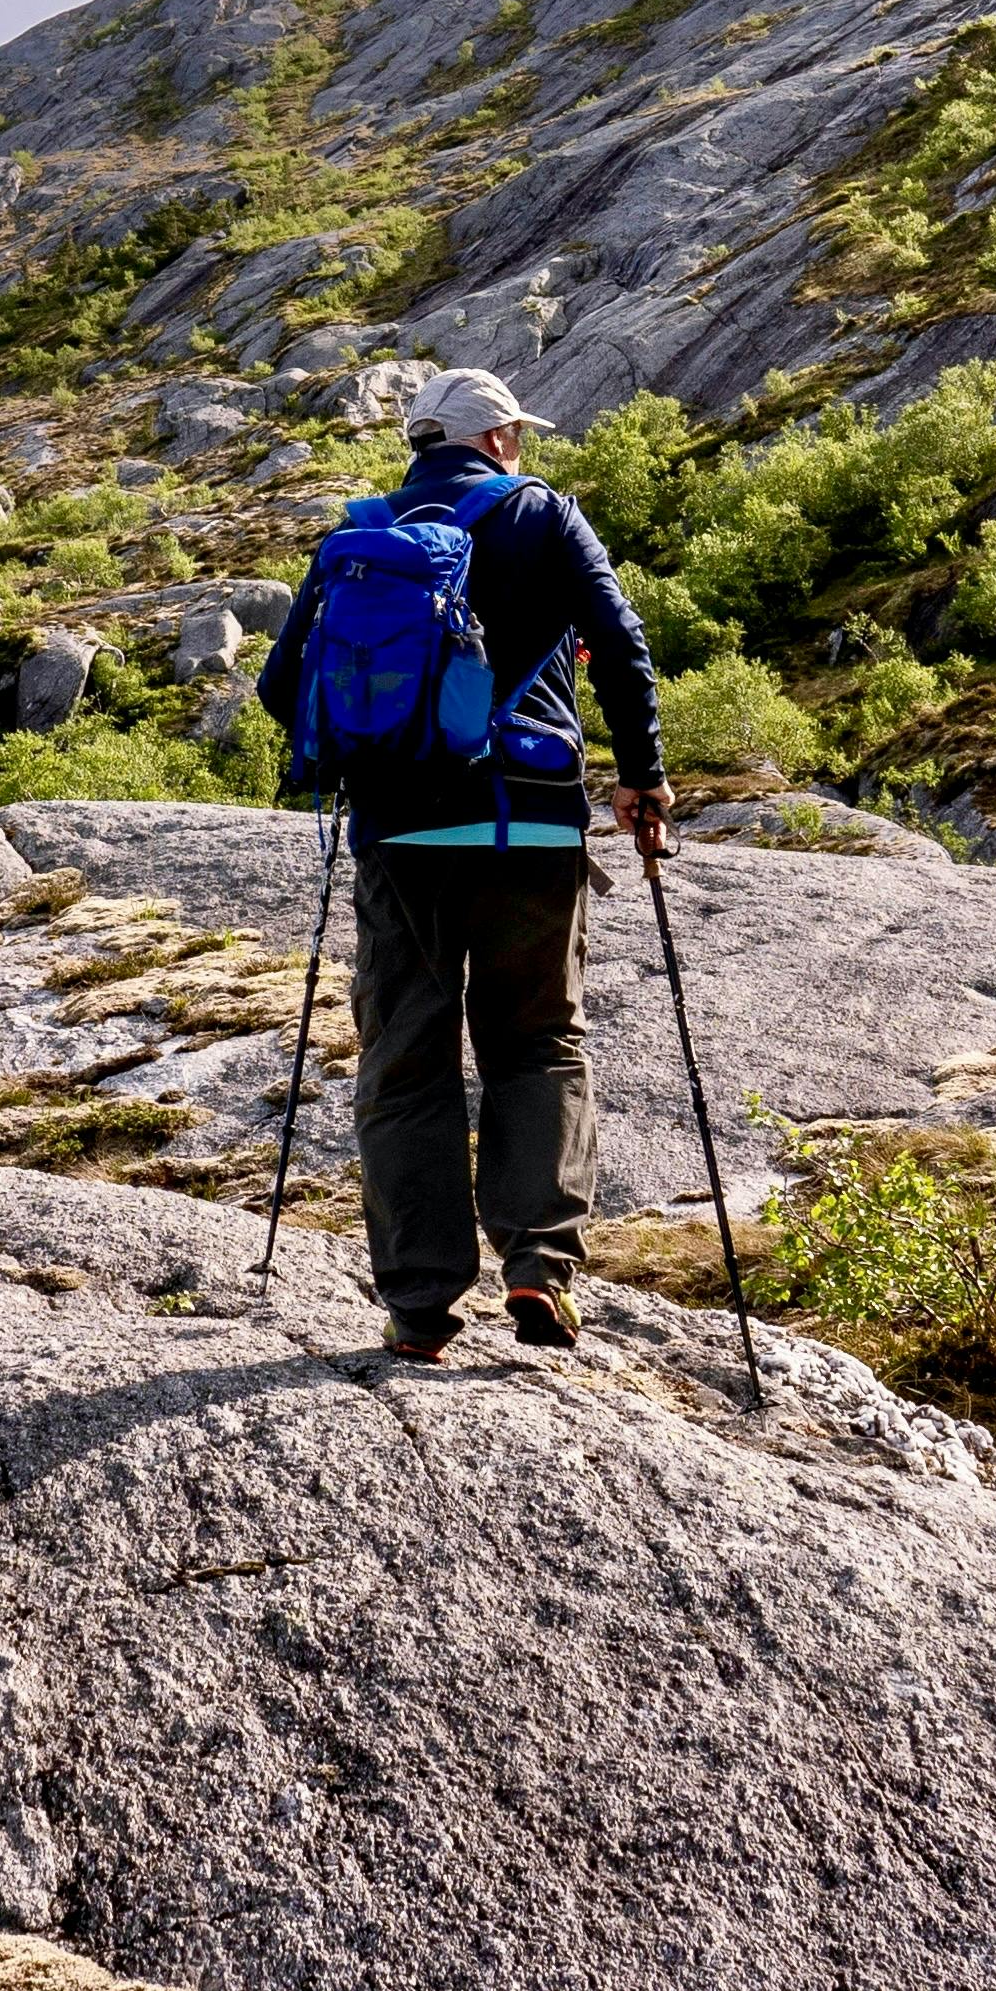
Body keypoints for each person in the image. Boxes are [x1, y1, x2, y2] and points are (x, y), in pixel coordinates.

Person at [252, 366, 667, 1364]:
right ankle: (535, 1263)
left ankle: (421, 1304)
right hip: (528, 829)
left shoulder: (360, 535)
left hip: (400, 841)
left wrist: (382, 752)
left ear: (419, 443)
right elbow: (620, 642)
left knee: (407, 1061)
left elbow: (277, 687)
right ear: (499, 440)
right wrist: (641, 779)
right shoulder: (542, 515)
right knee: (537, 1043)